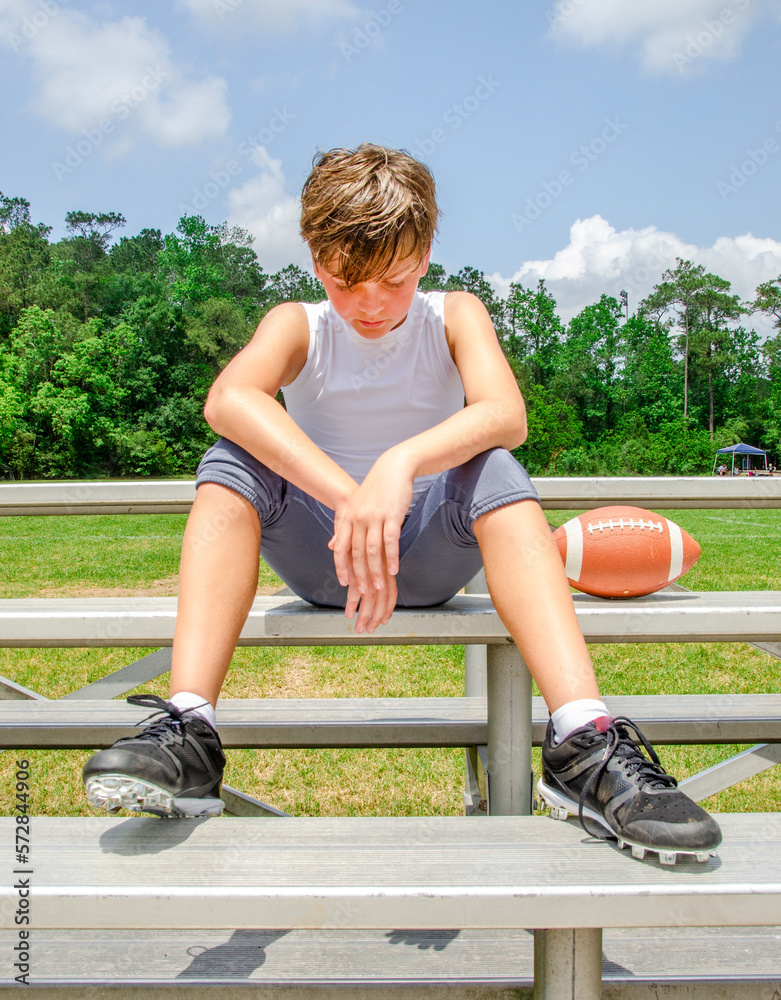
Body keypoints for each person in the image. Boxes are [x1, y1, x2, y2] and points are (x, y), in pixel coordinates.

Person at [82, 144, 720, 863]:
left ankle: (581, 741)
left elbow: (506, 412)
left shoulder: (454, 314)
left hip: (426, 554)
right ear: (314, 257)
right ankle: (189, 727)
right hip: (321, 558)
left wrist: (400, 463)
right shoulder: (298, 323)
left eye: (396, 277)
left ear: (426, 252)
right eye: (345, 280)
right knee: (231, 458)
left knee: (495, 465)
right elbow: (227, 399)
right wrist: (349, 497)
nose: (371, 304)